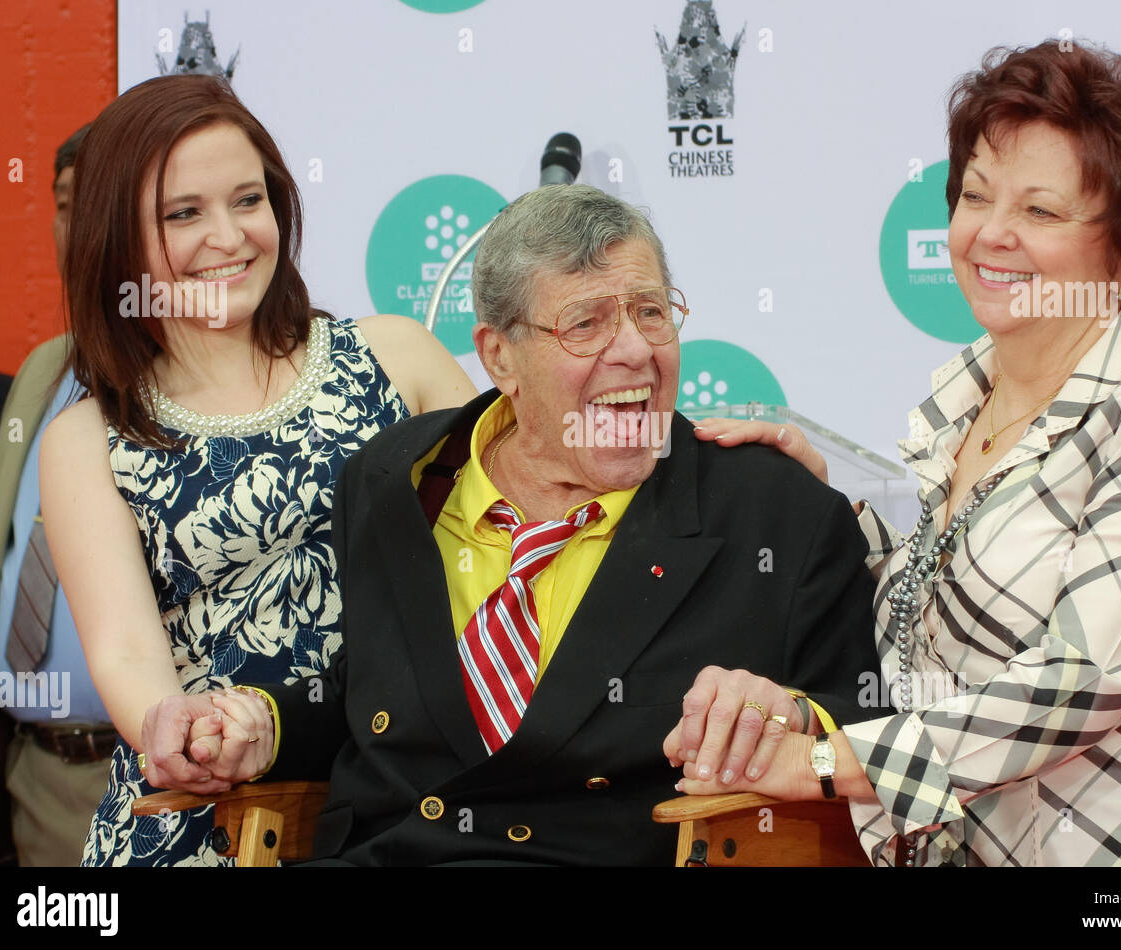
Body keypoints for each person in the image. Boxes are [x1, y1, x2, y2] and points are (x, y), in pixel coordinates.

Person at [139, 183, 888, 865]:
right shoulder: (393, 478)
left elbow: (870, 721)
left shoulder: (773, 511)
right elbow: (380, 702)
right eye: (585, 323)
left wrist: (787, 717)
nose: (634, 351)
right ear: (500, 356)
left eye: (651, 312)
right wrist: (260, 727)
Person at [670, 40, 1121, 866]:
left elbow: (1074, 685)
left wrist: (819, 762)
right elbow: (940, 612)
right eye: (976, 196)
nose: (990, 234)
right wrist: (818, 505)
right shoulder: (966, 408)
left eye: (1041, 212)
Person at [38, 74, 475, 866]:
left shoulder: (394, 354)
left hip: (403, 798)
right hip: (208, 814)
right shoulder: (85, 439)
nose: (230, 237)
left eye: (248, 200)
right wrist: (176, 730)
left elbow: (527, 523)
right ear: (118, 237)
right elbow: (127, 653)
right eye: (183, 214)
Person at [0, 124, 119, 868]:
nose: (81, 226)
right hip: (26, 779)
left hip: (153, 783)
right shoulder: (42, 372)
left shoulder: (213, 376)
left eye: (104, 203)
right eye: (66, 205)